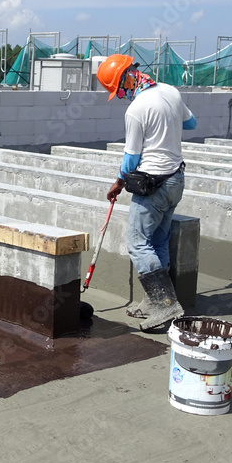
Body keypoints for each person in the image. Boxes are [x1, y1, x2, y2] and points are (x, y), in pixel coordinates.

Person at [97, 54, 197, 331]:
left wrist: (118, 183)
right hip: (176, 180)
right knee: (158, 240)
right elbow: (191, 124)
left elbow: (131, 158)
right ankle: (155, 302)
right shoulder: (171, 91)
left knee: (137, 243)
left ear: (125, 80)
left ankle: (166, 305)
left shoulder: (137, 109)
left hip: (153, 184)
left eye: (118, 91)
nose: (121, 96)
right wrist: (167, 123)